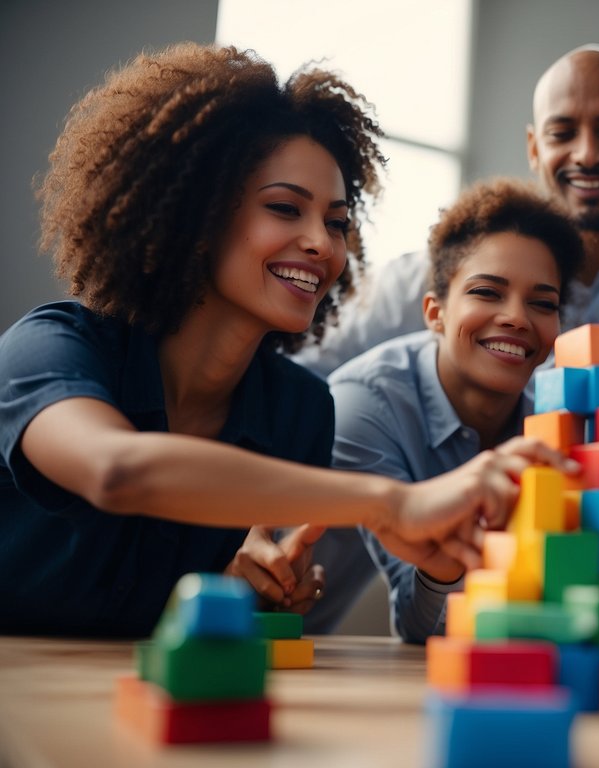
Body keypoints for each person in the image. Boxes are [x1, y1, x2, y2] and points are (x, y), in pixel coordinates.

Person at [0, 43, 570, 638]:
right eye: (284, 208)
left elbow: (185, 600)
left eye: (336, 222)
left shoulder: (300, 412)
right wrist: (393, 504)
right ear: (197, 218)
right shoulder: (50, 349)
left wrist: (251, 587)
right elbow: (118, 471)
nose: (322, 244)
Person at [248, 179, 582, 642]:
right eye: (487, 292)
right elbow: (416, 619)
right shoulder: (362, 405)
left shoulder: (559, 420)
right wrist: (446, 569)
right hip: (268, 647)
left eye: (542, 303)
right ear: (434, 312)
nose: (517, 318)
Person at [291, 44, 599, 377]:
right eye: (561, 134)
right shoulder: (433, 276)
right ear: (533, 149)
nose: (587, 155)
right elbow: (302, 375)